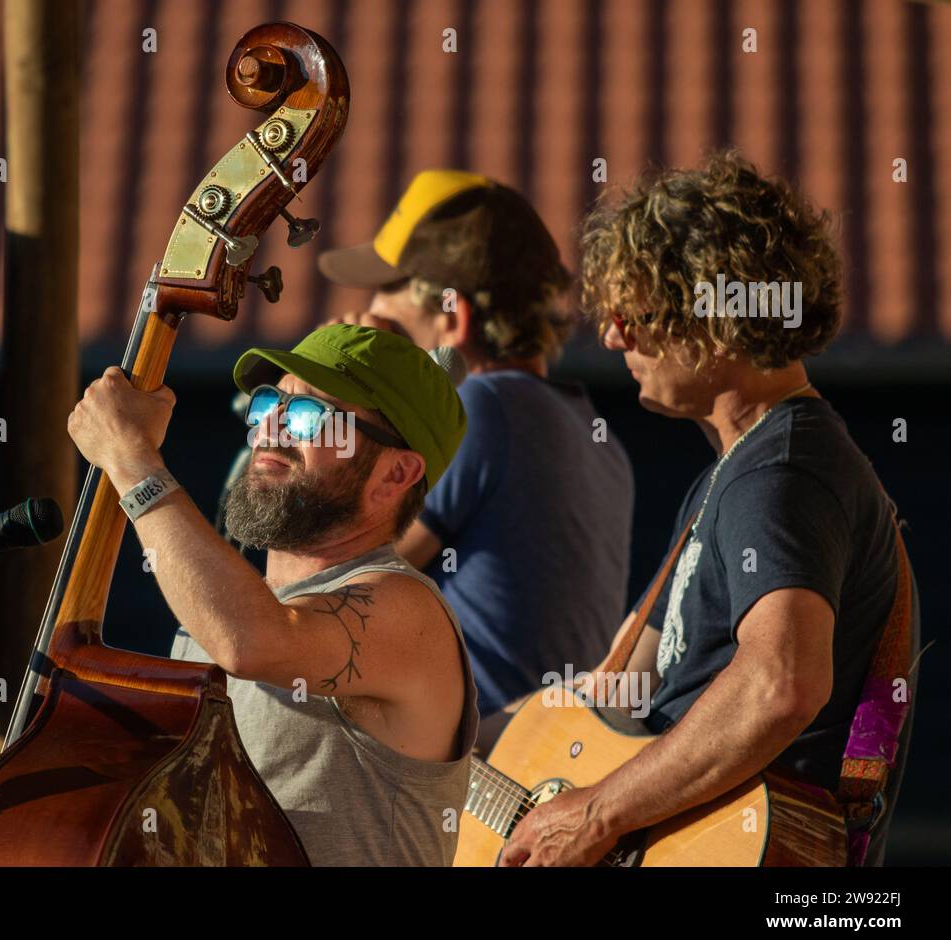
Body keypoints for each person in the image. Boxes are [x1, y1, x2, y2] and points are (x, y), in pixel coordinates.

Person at [499, 149, 919, 867]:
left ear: (718, 317)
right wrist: (431, 727)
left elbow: (781, 682)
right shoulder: (738, 472)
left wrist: (598, 814)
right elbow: (618, 690)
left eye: (635, 311)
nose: (612, 336)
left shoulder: (780, 473)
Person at [67, 323, 479, 866]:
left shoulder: (405, 609)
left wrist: (132, 459)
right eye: (268, 403)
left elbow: (251, 642)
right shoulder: (218, 608)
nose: (272, 426)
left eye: (310, 414)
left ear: (395, 473)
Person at [316, 170, 633, 746]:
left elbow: (323, 584)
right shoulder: (595, 434)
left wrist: (332, 395)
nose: (363, 317)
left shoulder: (481, 411)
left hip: (470, 787)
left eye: (388, 321)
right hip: (534, 768)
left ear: (452, 319)